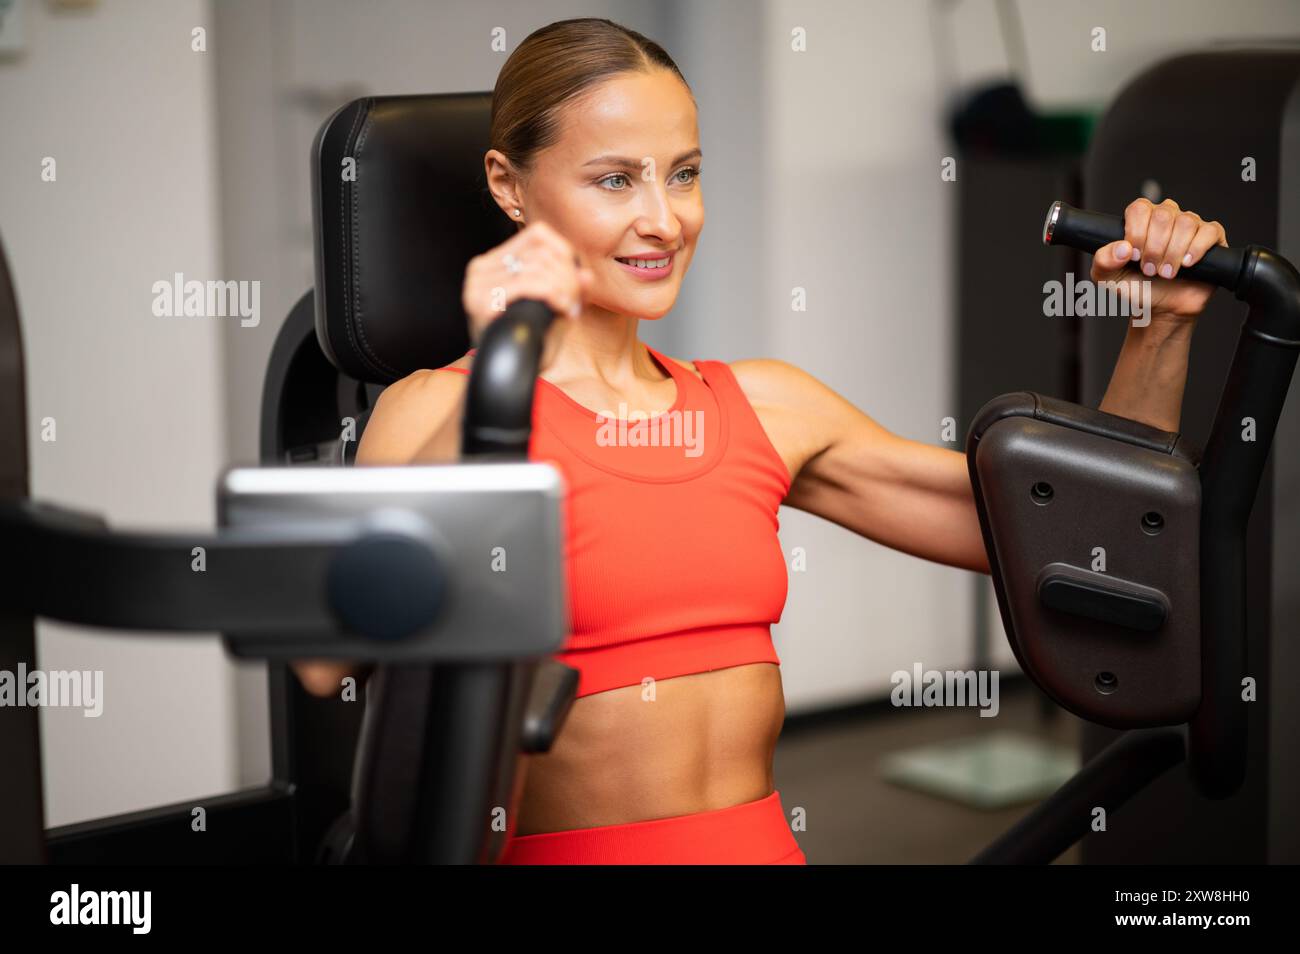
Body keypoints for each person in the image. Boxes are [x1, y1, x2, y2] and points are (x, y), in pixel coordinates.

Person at [292, 16, 1227, 864]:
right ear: (510, 186)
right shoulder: (432, 409)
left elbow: (1090, 546)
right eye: (615, 179)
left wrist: (1162, 327)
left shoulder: (767, 409)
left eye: (684, 172)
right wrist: (500, 370)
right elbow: (324, 657)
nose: (664, 218)